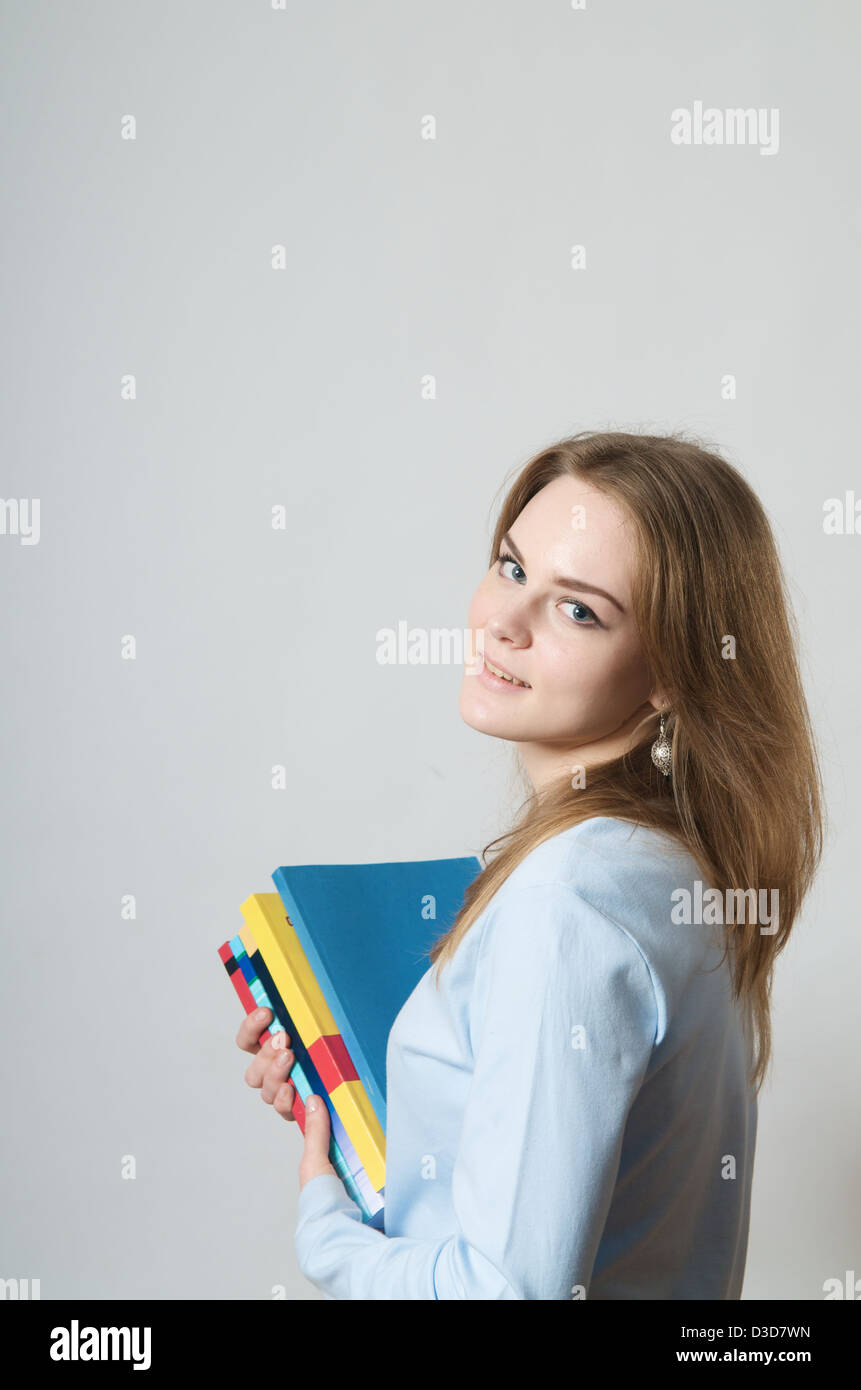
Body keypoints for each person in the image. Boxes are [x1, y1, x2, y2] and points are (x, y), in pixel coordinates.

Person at [235, 429, 824, 1299]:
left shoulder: (567, 902)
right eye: (512, 568)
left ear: (669, 672)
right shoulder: (675, 869)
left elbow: (503, 1291)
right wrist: (365, 1126)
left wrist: (328, 1228)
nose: (503, 623)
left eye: (577, 610)